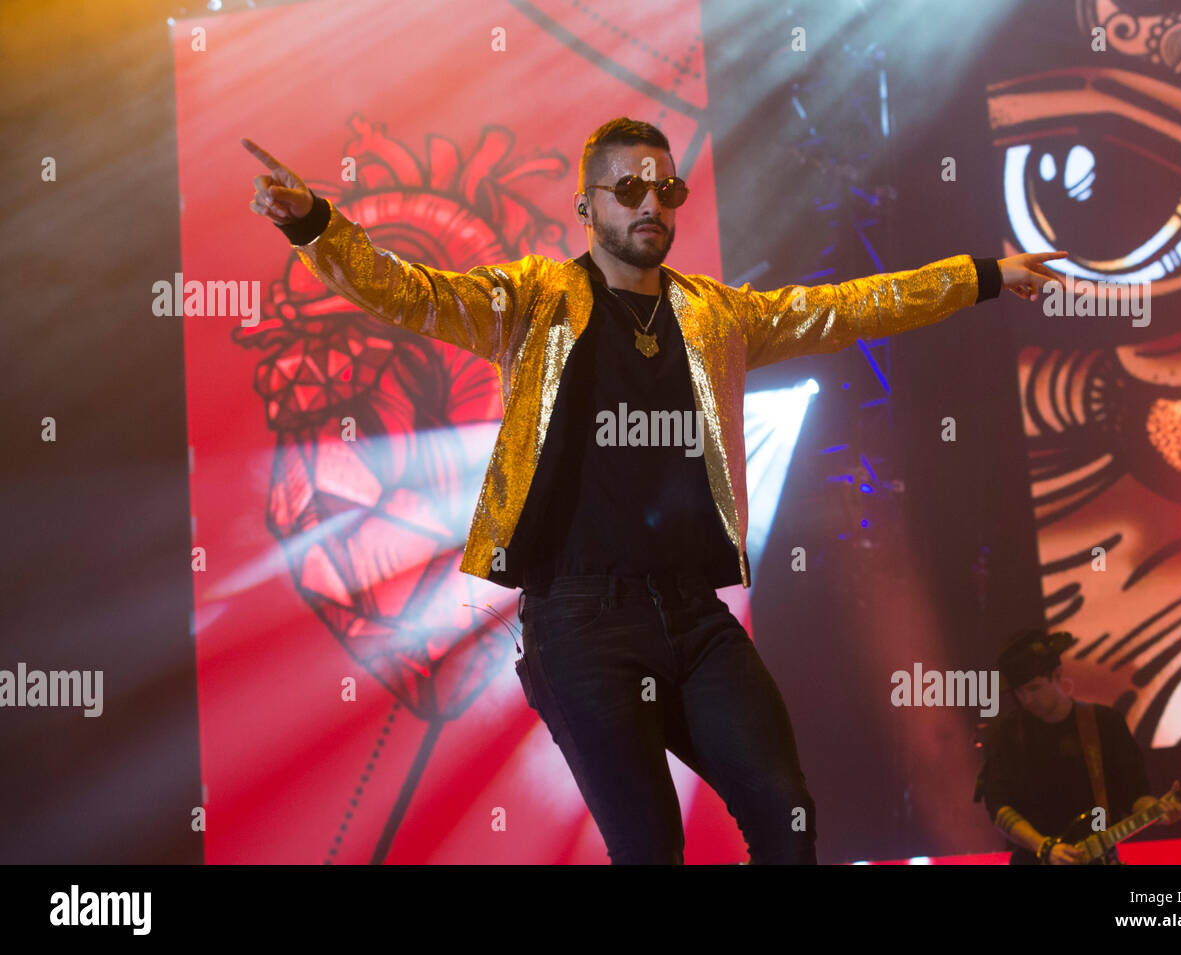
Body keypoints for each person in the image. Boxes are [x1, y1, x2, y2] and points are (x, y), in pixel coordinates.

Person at [243, 117, 1065, 864]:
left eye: (664, 188)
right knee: (649, 850)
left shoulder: (715, 314)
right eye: (628, 188)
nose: (651, 204)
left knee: (789, 817)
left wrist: (984, 273)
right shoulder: (534, 302)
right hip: (580, 621)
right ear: (587, 204)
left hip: (694, 616)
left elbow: (850, 306)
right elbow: (411, 290)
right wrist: (316, 224)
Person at [976, 628, 1181, 864]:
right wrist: (1045, 848)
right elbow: (999, 806)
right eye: (1019, 692)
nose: (1027, 699)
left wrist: (1157, 810)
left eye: (1034, 688)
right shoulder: (1006, 733)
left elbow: (1134, 794)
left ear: (1057, 675)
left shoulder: (1104, 723)